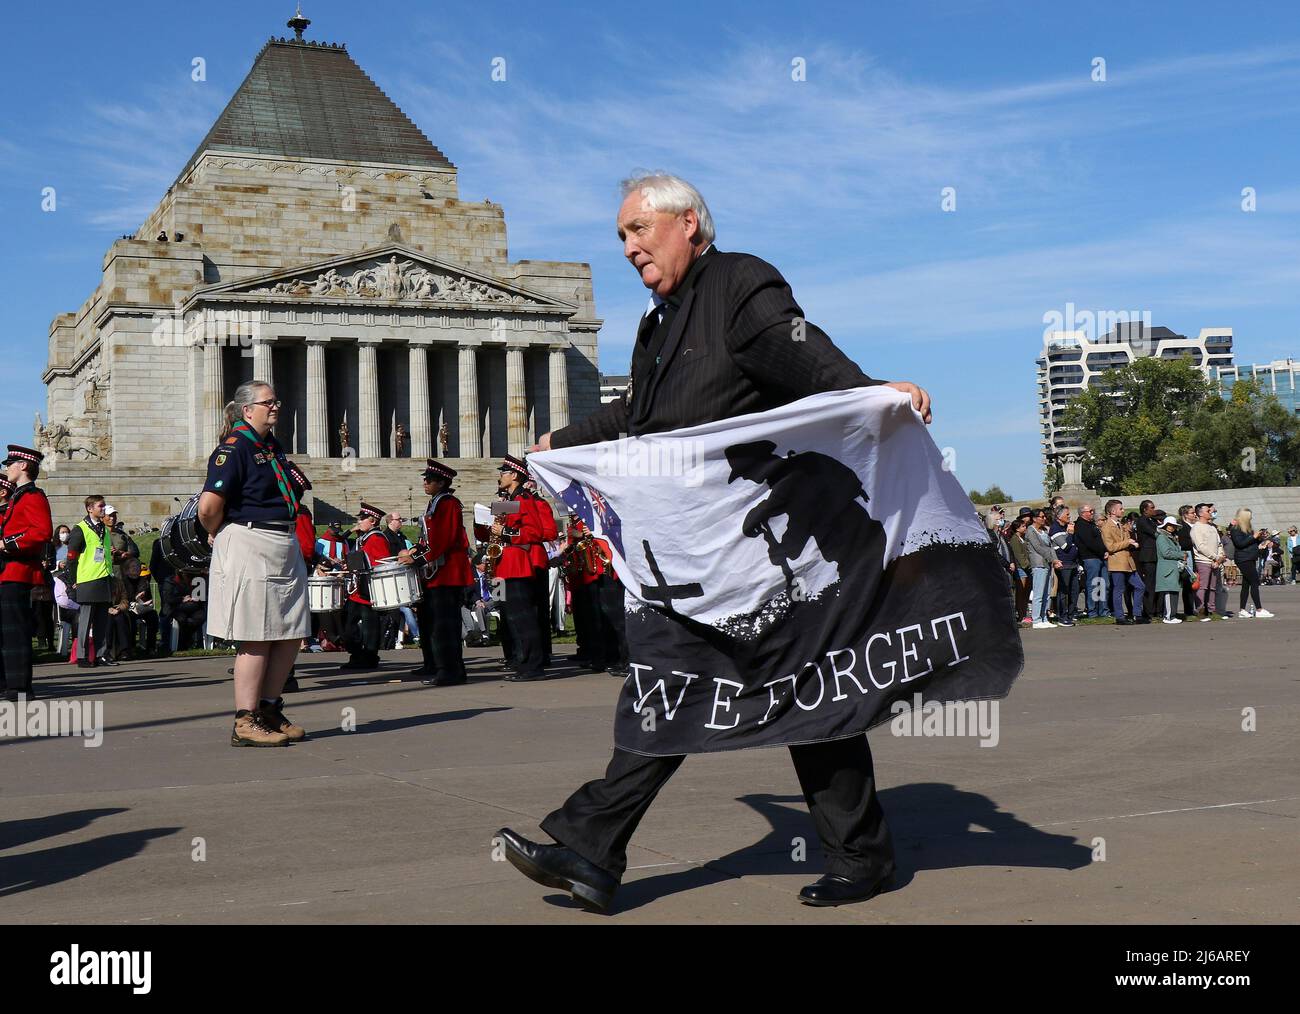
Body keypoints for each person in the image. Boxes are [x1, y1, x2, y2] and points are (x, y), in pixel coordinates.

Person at [497, 172, 933, 911]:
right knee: (692, 689)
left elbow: (805, 359)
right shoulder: (658, 322)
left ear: (689, 223)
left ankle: (857, 858)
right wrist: (556, 443)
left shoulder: (739, 284)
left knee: (795, 697)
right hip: (698, 551)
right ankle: (593, 852)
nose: (629, 247)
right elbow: (639, 415)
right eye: (621, 236)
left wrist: (872, 394)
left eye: (639, 229)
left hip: (763, 553)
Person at [197, 380, 310, 747]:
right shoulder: (234, 448)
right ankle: (244, 721)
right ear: (247, 410)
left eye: (276, 401)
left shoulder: (270, 445)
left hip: (282, 539)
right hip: (251, 539)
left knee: (291, 632)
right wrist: (219, 532)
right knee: (256, 635)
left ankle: (268, 708)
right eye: (268, 402)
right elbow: (208, 507)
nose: (275, 407)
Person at [401, 458, 473, 687]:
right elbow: (430, 539)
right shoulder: (435, 503)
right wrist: (415, 550)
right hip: (436, 573)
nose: (425, 482)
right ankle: (438, 665)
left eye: (429, 479)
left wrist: (417, 557)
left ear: (441, 483)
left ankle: (450, 671)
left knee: (446, 626)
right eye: (425, 479)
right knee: (433, 624)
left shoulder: (447, 503)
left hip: (447, 573)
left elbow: (444, 539)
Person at [0, 445, 54, 700]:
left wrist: (6, 543)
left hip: (17, 572)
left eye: (9, 464)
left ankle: (20, 687)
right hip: (8, 572)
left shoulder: (32, 496)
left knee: (16, 632)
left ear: (23, 465)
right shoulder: (18, 496)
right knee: (7, 632)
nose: (6, 468)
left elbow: (41, 532)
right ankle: (11, 684)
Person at [490, 455, 546, 682]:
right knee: (511, 616)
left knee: (523, 618)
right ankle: (520, 660)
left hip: (518, 565)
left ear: (514, 475)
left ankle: (533, 665)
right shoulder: (511, 500)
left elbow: (536, 532)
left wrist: (504, 533)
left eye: (503, 473)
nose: (500, 477)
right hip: (504, 564)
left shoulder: (524, 499)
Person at [339, 501, 391, 671]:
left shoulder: (377, 538)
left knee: (370, 628)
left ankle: (368, 657)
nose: (359, 521)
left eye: (363, 518)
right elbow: (341, 541)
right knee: (348, 627)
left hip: (368, 590)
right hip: (357, 590)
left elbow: (380, 564)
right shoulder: (364, 537)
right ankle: (357, 654)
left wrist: (356, 564)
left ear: (373, 521)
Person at [65, 494, 114, 666]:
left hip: (104, 577)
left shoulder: (103, 528)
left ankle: (101, 655)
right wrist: (73, 580)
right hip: (87, 580)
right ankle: (82, 656)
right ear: (90, 508)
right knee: (86, 620)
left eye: (104, 505)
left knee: (102, 620)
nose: (103, 509)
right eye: (100, 506)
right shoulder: (80, 528)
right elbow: (71, 558)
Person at [1101, 499, 1145, 625]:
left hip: (1128, 562)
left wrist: (1132, 543)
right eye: (1120, 509)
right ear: (1113, 511)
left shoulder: (1121, 525)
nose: (1123, 510)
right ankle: (1119, 616)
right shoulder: (1106, 527)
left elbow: (1126, 539)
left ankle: (1137, 614)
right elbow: (1110, 547)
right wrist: (1128, 542)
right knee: (1119, 589)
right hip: (1117, 563)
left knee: (1140, 586)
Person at [1230, 508, 1273, 619]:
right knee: (1255, 582)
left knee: (1246, 584)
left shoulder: (1247, 529)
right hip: (1243, 559)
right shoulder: (1236, 529)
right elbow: (1239, 544)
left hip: (1250, 557)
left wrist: (1261, 538)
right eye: (1249, 516)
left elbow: (1250, 542)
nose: (1251, 518)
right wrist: (1253, 537)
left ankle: (1242, 610)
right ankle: (1258, 609)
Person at [1024, 507, 1061, 629]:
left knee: (1047, 594)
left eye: (1044, 516)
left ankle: (1044, 617)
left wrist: (1054, 559)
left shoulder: (1044, 531)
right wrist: (1053, 559)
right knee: (1038, 593)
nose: (1044, 518)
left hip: (1047, 564)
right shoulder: (1030, 531)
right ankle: (1036, 619)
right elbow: (1038, 548)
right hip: (1038, 564)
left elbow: (1051, 547)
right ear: (1034, 519)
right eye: (1042, 517)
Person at [1073, 503, 1109, 619]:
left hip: (1100, 557)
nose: (1092, 513)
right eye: (1090, 511)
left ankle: (1103, 610)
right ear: (1083, 513)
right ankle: (1092, 611)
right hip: (1090, 558)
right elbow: (1089, 543)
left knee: (1104, 584)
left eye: (1093, 511)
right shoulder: (1081, 525)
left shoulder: (1091, 524)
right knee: (1093, 584)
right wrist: (1102, 551)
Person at [1190, 503, 1225, 621]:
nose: (1210, 512)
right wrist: (1215, 557)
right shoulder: (1196, 528)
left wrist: (1219, 558)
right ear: (1200, 513)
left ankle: (1212, 610)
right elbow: (1200, 546)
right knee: (1203, 587)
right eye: (1207, 510)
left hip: (1215, 561)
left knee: (1213, 587)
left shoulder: (1212, 527)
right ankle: (1200, 610)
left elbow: (1219, 544)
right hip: (1203, 561)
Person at [1048, 506, 1078, 626]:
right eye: (1067, 515)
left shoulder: (1066, 527)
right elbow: (1065, 546)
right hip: (1064, 563)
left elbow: (1074, 544)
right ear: (1059, 516)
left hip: (1073, 563)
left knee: (1074, 591)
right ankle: (1062, 616)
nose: (1069, 517)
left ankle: (1070, 615)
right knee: (1063, 591)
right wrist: (1070, 534)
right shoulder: (1055, 529)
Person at [1154, 515, 1185, 623]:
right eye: (1169, 525)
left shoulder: (1171, 537)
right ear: (1165, 526)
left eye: (1173, 525)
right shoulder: (1162, 537)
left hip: (1172, 569)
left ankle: (1172, 615)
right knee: (1169, 593)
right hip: (1167, 569)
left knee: (1174, 592)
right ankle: (1168, 616)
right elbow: (1166, 553)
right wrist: (1181, 555)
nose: (1172, 527)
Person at [1004, 513, 1032, 624]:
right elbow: (1019, 555)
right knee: (1020, 593)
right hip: (1021, 568)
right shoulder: (1015, 539)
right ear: (1017, 528)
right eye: (1023, 526)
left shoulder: (1022, 538)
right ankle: (1021, 615)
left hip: (1025, 568)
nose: (1025, 528)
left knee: (1025, 593)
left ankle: (1023, 614)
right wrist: (1027, 565)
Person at [1134, 499, 1159, 621]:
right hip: (1148, 556)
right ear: (1145, 509)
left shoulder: (1151, 520)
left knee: (1154, 584)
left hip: (1154, 555)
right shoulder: (1142, 521)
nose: (1154, 510)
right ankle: (1148, 611)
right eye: (1152, 508)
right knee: (1149, 584)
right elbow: (1155, 533)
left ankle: (1154, 609)